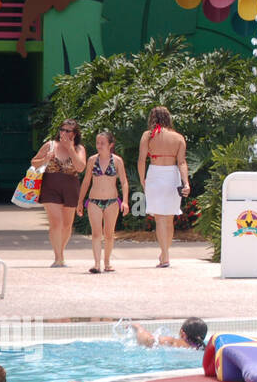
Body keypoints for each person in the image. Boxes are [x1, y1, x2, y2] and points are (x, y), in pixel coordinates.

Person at [137, 107, 190, 269]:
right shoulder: (179, 138)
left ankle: (164, 255)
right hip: (172, 176)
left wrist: (142, 179)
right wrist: (186, 182)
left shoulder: (148, 136)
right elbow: (181, 162)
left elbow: (141, 160)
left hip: (155, 174)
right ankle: (165, 253)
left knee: (159, 218)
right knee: (169, 219)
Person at [31, 119, 87, 268]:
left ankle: (60, 252)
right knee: (56, 222)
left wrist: (70, 150)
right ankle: (58, 257)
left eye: (67, 131)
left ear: (74, 134)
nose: (63, 133)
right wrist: (45, 159)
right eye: (62, 129)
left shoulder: (79, 148)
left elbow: (81, 167)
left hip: (70, 187)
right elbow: (34, 162)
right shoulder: (50, 145)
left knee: (67, 225)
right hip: (50, 186)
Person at [76, 130, 131, 274]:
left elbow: (124, 182)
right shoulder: (92, 160)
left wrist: (125, 201)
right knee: (96, 233)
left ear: (110, 144)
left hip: (112, 201)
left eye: (102, 143)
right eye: (97, 143)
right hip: (94, 201)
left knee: (109, 234)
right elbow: (86, 181)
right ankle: (96, 264)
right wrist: (80, 201)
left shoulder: (117, 161)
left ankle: (107, 262)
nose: (99, 146)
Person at [132, 317, 207, 349]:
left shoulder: (172, 342)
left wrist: (138, 328)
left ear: (182, 333)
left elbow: (148, 340)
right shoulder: (202, 349)